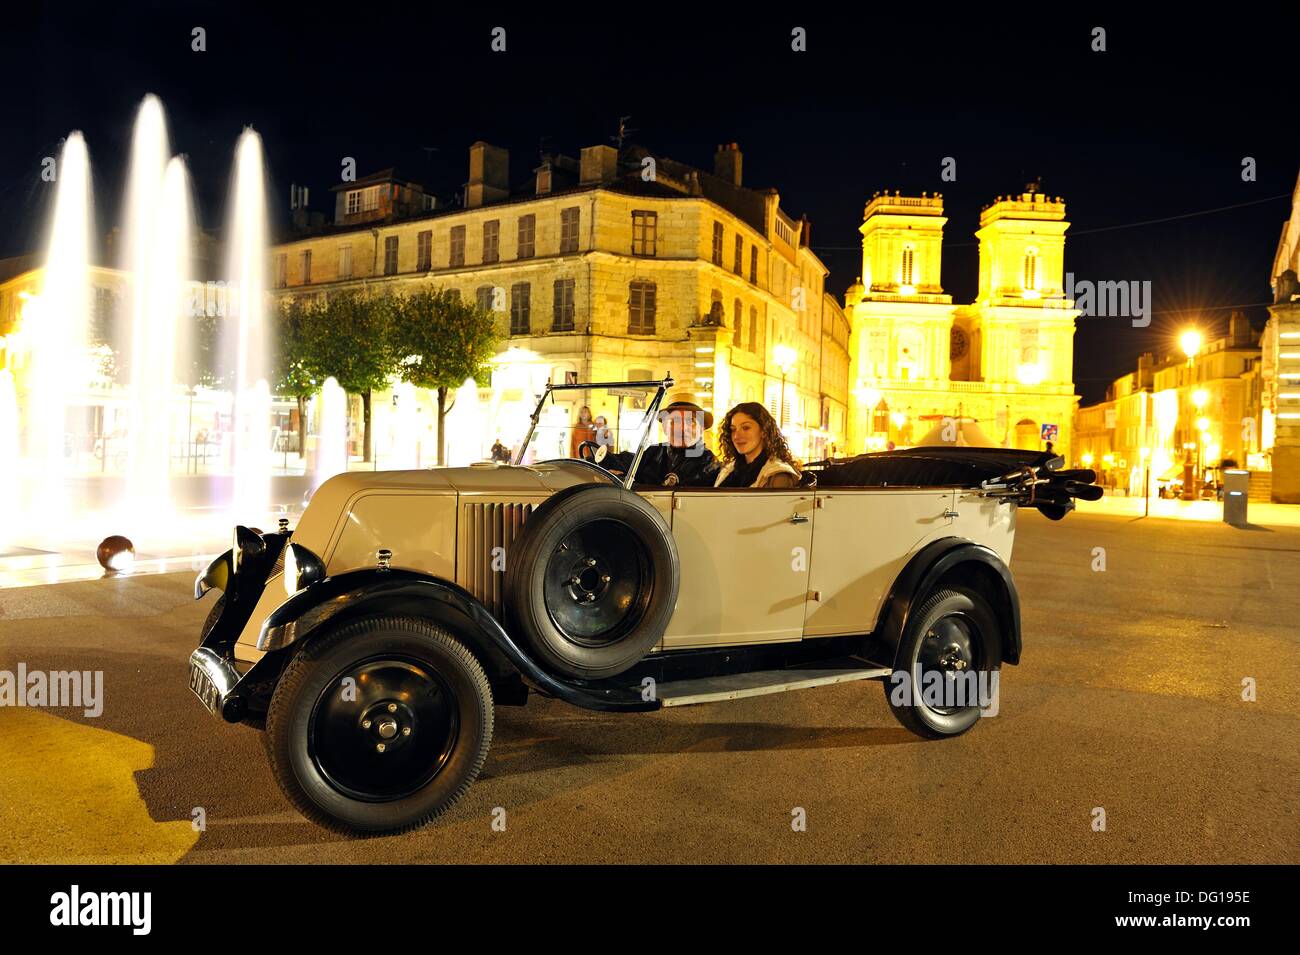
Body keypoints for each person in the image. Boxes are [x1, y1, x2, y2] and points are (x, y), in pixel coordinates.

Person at [603, 392, 720, 486]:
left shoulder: (710, 464)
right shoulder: (654, 452)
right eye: (675, 421)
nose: (682, 428)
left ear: (702, 427)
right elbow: (626, 462)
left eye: (691, 421)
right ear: (665, 427)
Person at [714, 401, 800, 489]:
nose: (736, 436)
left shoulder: (778, 475)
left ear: (764, 431)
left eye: (746, 428)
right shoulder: (728, 470)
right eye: (733, 429)